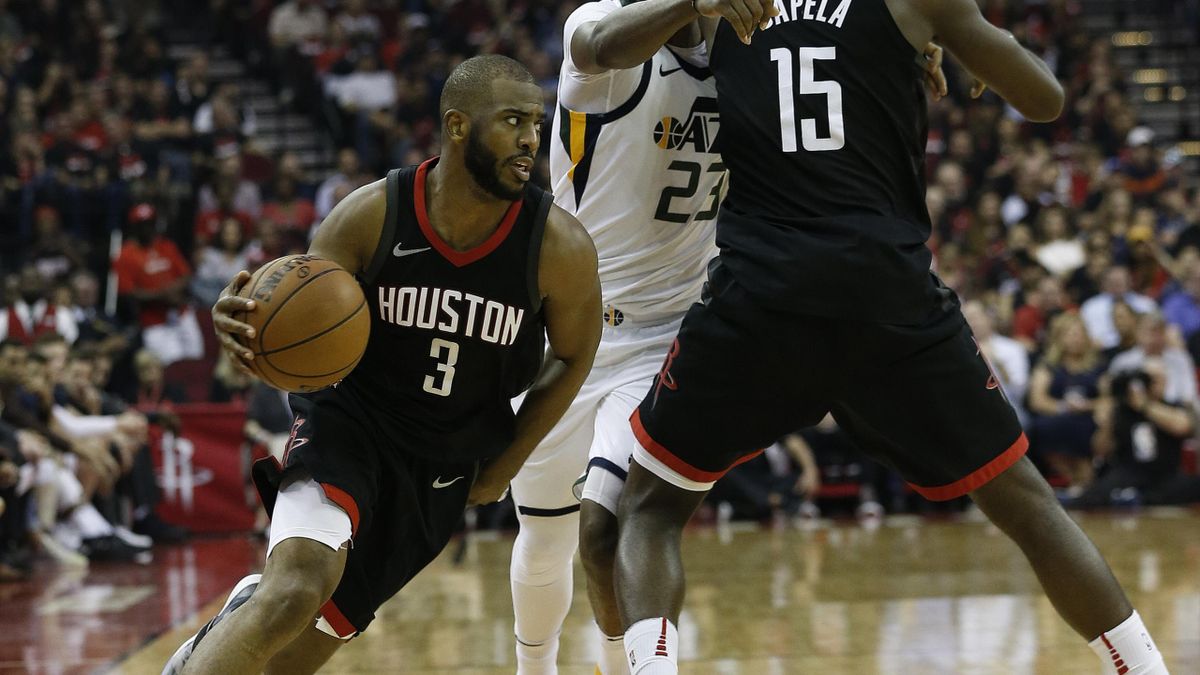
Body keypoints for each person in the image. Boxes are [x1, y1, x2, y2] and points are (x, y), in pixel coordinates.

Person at [612, 2, 1168, 675]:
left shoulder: (729, 2)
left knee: (650, 507)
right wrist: (960, 38)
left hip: (762, 295)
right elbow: (1044, 99)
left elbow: (607, 46)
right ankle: (1145, 668)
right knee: (1028, 506)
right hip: (887, 295)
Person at [508, 3, 945, 672]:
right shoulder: (602, 22)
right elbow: (598, 47)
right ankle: (530, 665)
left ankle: (620, 663)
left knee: (606, 526)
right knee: (543, 536)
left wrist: (898, 57)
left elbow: (830, 89)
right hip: (566, 328)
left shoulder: (754, 54)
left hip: (664, 337)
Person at [164, 55, 601, 675]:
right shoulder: (373, 213)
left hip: (442, 465)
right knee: (294, 592)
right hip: (351, 428)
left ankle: (228, 626)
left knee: (292, 661)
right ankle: (253, 610)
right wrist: (242, 329)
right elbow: (298, 326)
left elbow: (576, 353)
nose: (532, 138)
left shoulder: (558, 247)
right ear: (457, 127)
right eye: (512, 121)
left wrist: (505, 464)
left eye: (536, 121)